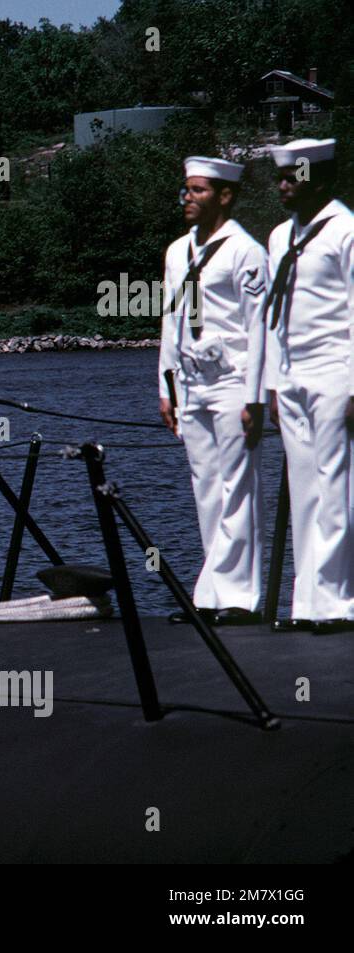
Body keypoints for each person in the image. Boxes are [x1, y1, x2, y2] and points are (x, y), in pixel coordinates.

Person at [156, 156, 269, 627]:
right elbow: (171, 321)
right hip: (192, 380)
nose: (188, 197)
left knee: (237, 487)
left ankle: (241, 596)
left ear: (224, 196)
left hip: (232, 380)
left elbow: (261, 328)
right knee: (206, 487)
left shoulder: (246, 252)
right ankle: (211, 592)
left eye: (199, 190)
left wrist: (256, 395)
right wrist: (166, 385)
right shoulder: (178, 251)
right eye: (186, 189)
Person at [263, 138, 354, 635]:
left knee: (336, 487)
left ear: (319, 180)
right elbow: (274, 318)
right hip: (293, 374)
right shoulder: (281, 237)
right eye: (279, 178)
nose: (282, 187)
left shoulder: (346, 232)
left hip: (335, 371)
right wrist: (274, 382)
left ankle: (338, 601)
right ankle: (308, 601)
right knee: (304, 488)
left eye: (291, 178)